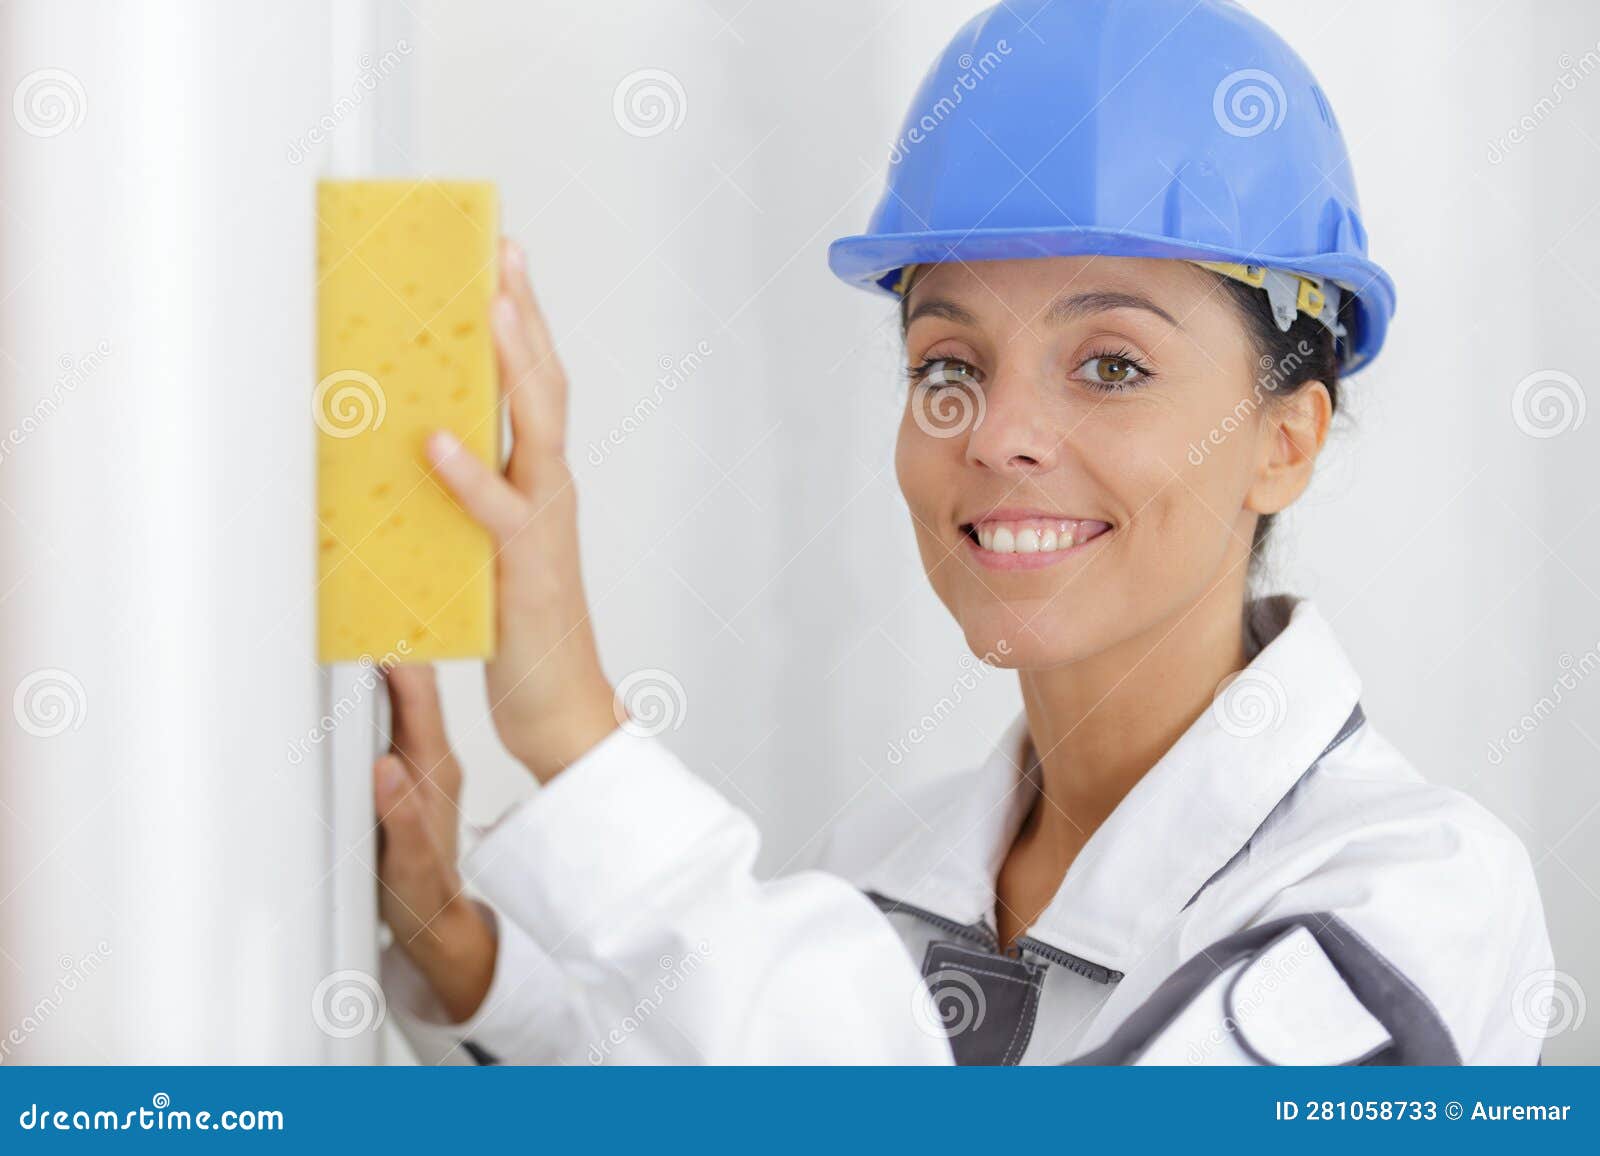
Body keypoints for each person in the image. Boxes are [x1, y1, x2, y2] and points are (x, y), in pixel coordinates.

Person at [373, 0, 1552, 1064]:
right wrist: (467, 955)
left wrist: (581, 739)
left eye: (1110, 363)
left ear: (1283, 441)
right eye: (948, 363)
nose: (997, 435)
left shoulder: (1411, 898)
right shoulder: (879, 872)